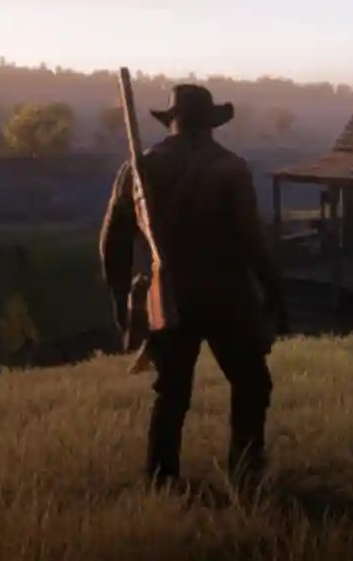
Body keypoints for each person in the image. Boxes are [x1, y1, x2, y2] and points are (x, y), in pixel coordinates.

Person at [100, 84, 288, 490]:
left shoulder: (140, 166)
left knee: (171, 394)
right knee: (252, 383)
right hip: (227, 297)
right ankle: (245, 473)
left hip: (168, 297)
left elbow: (112, 242)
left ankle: (161, 478)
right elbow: (252, 241)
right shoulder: (230, 168)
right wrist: (274, 291)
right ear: (211, 123)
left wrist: (120, 300)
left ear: (172, 120)